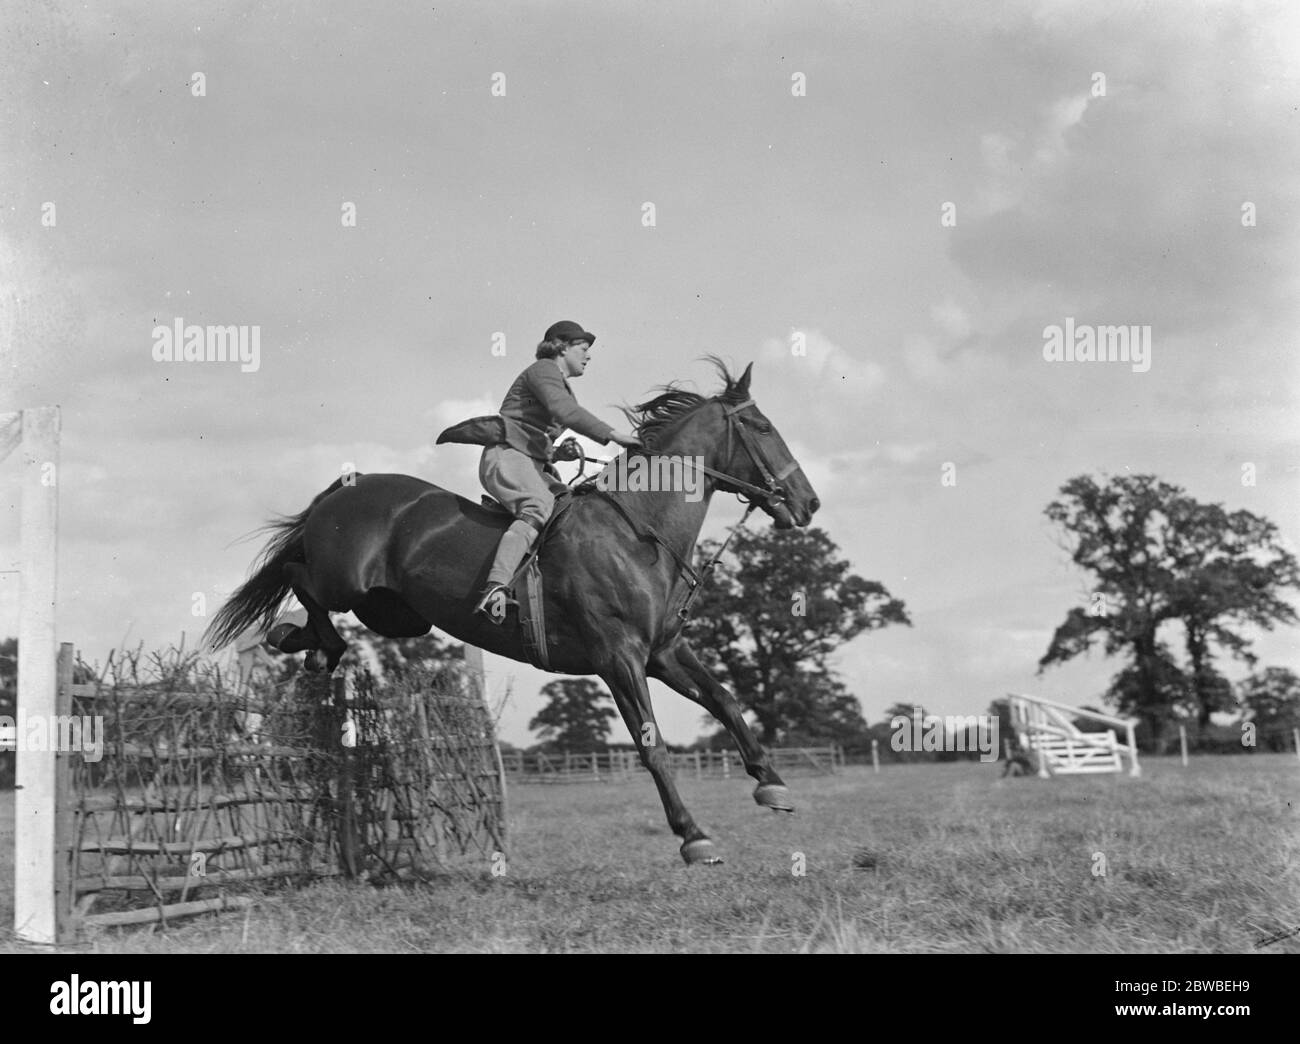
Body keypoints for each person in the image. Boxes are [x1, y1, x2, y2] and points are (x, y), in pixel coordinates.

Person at [467, 320, 641, 620]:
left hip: (525, 459)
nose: (589, 356)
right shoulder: (544, 370)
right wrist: (614, 435)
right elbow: (565, 411)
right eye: (584, 349)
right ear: (562, 347)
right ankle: (495, 590)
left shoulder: (557, 381)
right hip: (507, 456)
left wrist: (557, 453)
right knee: (538, 506)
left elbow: (536, 431)